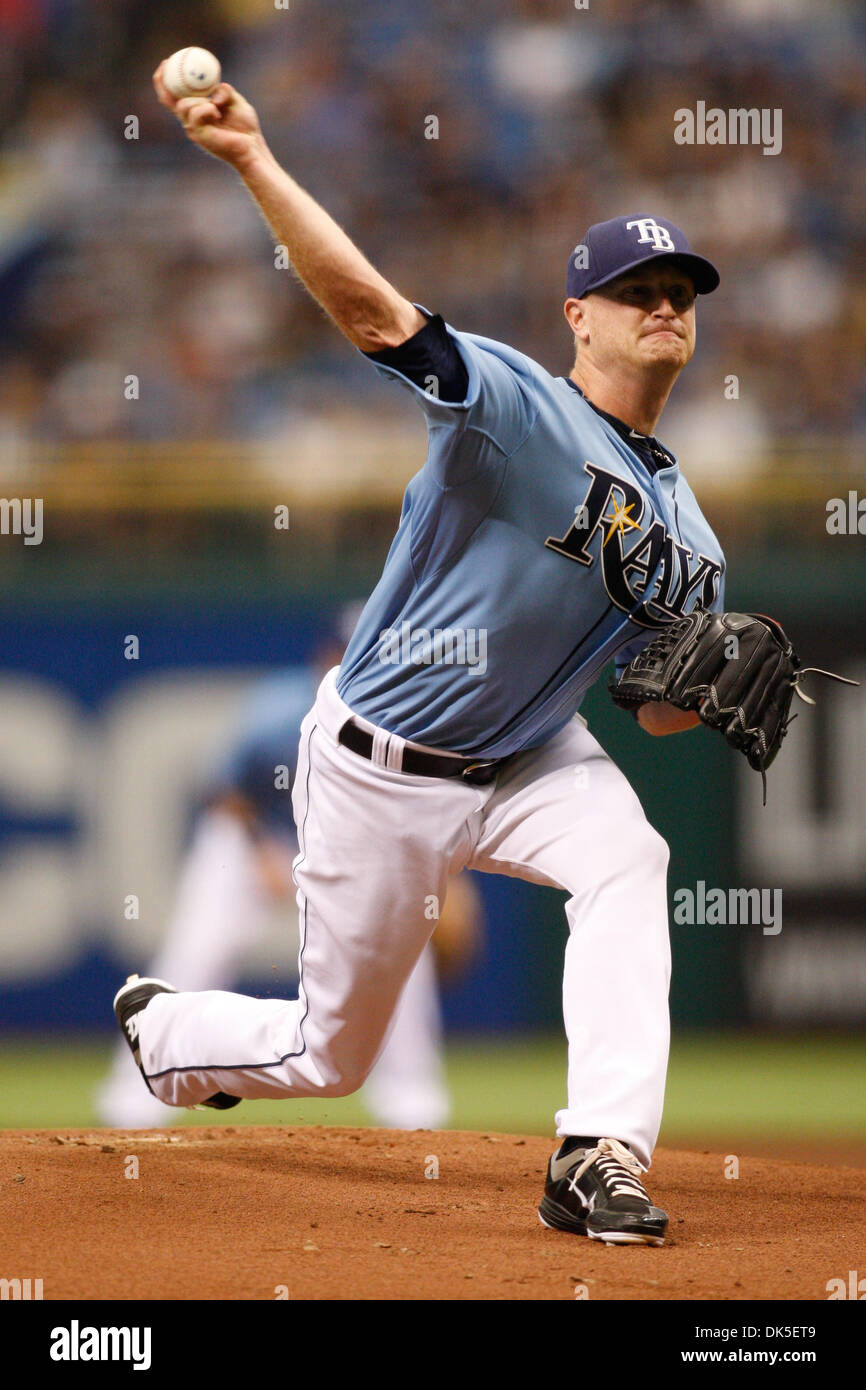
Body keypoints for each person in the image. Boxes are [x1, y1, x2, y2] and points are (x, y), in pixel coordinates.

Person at [114, 65, 726, 1246]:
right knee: (329, 1052)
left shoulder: (689, 530)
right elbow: (369, 314)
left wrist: (703, 687)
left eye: (678, 291)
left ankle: (596, 1154)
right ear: (578, 317)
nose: (662, 304)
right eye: (633, 288)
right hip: (376, 762)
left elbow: (652, 712)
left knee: (630, 858)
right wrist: (251, 157)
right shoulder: (508, 404)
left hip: (531, 754)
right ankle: (169, 1032)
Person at [100, 633, 481, 1131]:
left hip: (339, 852)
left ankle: (412, 1104)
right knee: (197, 951)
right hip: (247, 842)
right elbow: (223, 789)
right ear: (325, 658)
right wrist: (262, 855)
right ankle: (135, 1097)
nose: (352, 663)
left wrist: (442, 888)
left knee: (399, 951)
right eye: (345, 652)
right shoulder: (281, 710)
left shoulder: (404, 721)